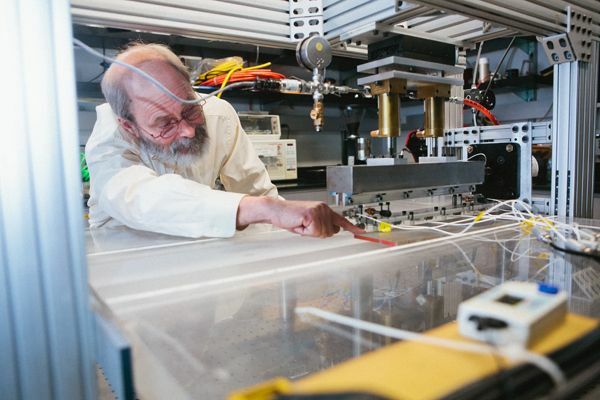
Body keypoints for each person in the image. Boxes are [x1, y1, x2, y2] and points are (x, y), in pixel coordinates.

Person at [85, 42, 361, 239]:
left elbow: (258, 193)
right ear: (129, 125)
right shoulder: (110, 134)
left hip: (202, 252)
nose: (188, 131)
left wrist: (294, 226)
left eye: (190, 109)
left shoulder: (219, 114)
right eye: (165, 124)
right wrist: (263, 209)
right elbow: (137, 198)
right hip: (126, 261)